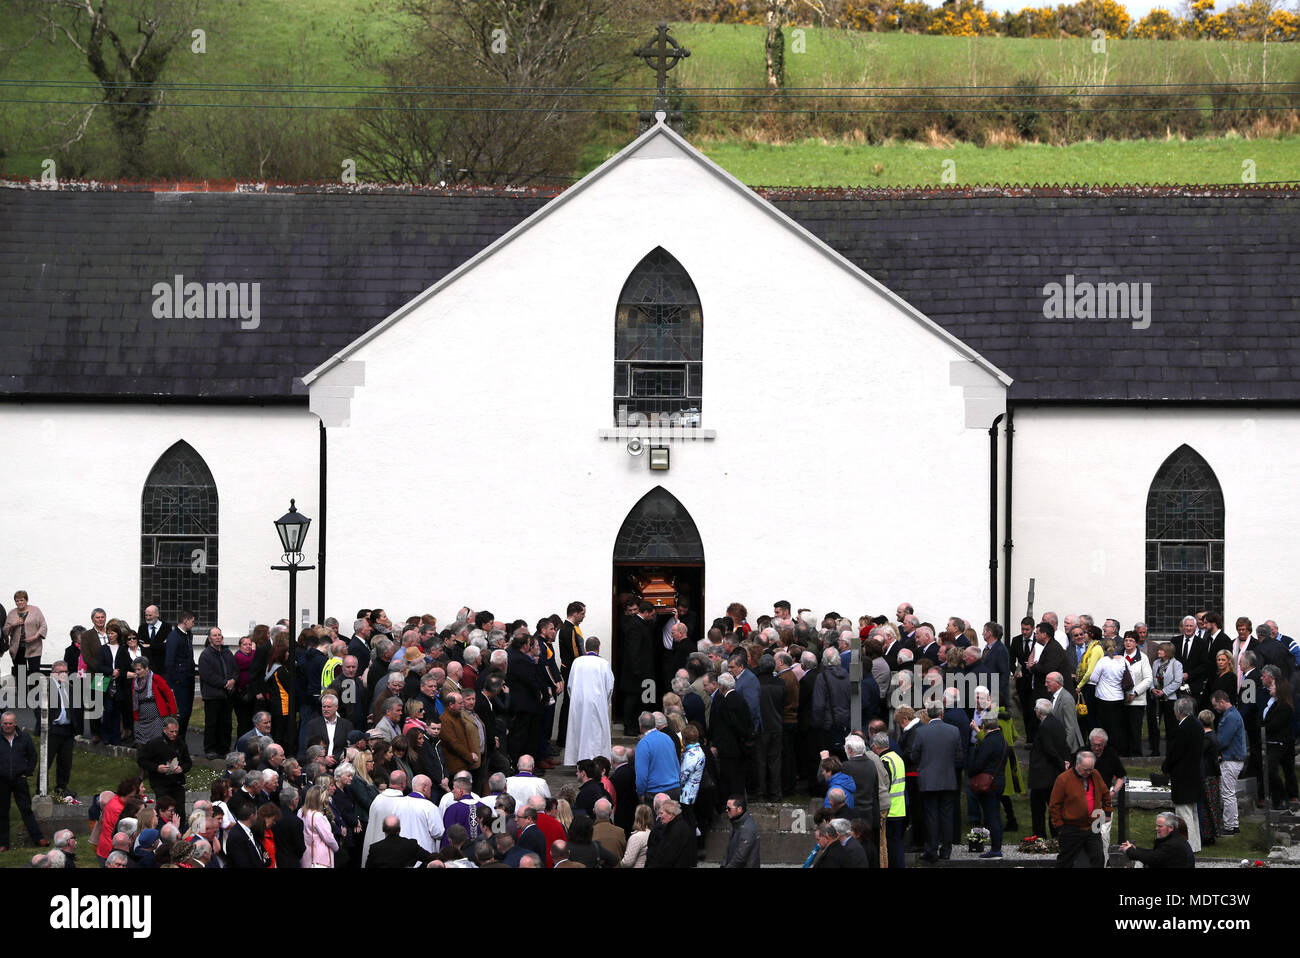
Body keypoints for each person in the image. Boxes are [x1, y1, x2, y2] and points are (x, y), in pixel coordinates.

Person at [911, 704, 961, 863]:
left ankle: (931, 849)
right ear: (942, 713)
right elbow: (959, 756)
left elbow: (914, 755)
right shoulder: (954, 731)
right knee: (947, 815)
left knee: (931, 815)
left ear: (928, 714)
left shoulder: (921, 731)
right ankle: (946, 850)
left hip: (928, 779)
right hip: (948, 778)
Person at [1049, 749, 1111, 867]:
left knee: (1098, 857)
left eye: (1091, 769)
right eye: (1085, 769)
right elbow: (1054, 805)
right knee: (1065, 861)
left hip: (1093, 825)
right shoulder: (1063, 779)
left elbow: (1105, 793)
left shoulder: (1095, 774)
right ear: (1077, 764)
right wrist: (1060, 826)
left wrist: (1107, 812)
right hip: (1071, 827)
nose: (1088, 772)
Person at [1163, 695, 1205, 851]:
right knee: (1192, 811)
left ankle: (1189, 846)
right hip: (1194, 773)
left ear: (1178, 711)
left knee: (1184, 813)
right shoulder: (1197, 724)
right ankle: (1196, 844)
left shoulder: (1183, 728)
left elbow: (1175, 752)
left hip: (1183, 775)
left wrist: (1166, 767)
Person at [563, 636, 614, 766]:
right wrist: (605, 701)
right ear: (599, 648)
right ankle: (597, 761)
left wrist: (575, 699)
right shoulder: (604, 663)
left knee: (580, 730)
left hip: (579, 703)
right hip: (597, 702)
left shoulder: (577, 662)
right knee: (597, 732)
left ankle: (580, 759)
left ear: (585, 648)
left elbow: (569, 685)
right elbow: (610, 686)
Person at [0, 712, 45, 852]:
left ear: (15, 723)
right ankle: (3, 843)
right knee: (2, 812)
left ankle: (38, 838)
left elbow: (33, 756)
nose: (7, 726)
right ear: (1, 724)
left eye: (10, 723)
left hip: (20, 779)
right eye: (5, 723)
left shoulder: (24, 738)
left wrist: (27, 772)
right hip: (2, 781)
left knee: (26, 809)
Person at [5, 592, 47, 732]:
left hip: (33, 646)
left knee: (34, 671)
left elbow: (43, 625)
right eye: (17, 601)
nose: (19, 603)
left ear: (26, 600)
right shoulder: (12, 614)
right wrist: (13, 624)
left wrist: (35, 636)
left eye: (22, 600)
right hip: (18, 648)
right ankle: (23, 697)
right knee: (21, 672)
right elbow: (5, 630)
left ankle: (35, 695)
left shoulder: (35, 610)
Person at [967, 715, 1007, 858]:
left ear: (984, 726)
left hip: (989, 783)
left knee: (992, 816)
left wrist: (970, 772)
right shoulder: (1001, 739)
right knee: (994, 813)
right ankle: (997, 846)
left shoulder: (989, 742)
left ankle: (996, 849)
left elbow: (978, 763)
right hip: (998, 780)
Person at [137, 716, 192, 812]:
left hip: (177, 783)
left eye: (176, 731)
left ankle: (180, 826)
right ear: (165, 730)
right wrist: (157, 768)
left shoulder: (181, 743)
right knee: (164, 810)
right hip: (160, 783)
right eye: (172, 731)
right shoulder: (154, 744)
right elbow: (142, 760)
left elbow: (188, 762)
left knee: (180, 810)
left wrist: (182, 768)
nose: (174, 734)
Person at [1261, 665, 1297, 810]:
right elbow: (1265, 721)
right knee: (1270, 771)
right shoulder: (1275, 704)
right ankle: (1278, 799)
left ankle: (1284, 797)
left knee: (1274, 771)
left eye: (1273, 686)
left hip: (1280, 743)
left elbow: (1272, 725)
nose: (1271, 687)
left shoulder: (1285, 707)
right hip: (1272, 742)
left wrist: (1265, 725)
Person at [197, 627, 237, 759]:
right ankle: (210, 749)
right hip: (213, 695)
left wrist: (233, 680)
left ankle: (224, 749)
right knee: (212, 724)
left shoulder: (227, 653)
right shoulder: (205, 655)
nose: (218, 637)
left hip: (228, 695)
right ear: (209, 638)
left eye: (219, 635)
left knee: (226, 724)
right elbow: (207, 675)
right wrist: (224, 683)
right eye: (215, 635)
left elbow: (235, 669)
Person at [1212, 690, 1246, 835]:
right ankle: (1233, 824)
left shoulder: (1231, 717)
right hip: (1233, 758)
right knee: (1229, 793)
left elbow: (1223, 740)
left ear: (1221, 701)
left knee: (1228, 794)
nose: (1215, 708)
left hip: (1231, 759)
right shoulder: (1232, 714)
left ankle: (1230, 827)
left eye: (1215, 705)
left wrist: (1213, 747)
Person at [47, 661, 80, 798]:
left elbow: (76, 709)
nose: (63, 674)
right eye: (60, 672)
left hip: (67, 730)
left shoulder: (70, 687)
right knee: (46, 761)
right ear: (53, 673)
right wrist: (46, 725)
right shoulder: (46, 687)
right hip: (52, 730)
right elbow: (39, 708)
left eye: (66, 672)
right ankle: (41, 789)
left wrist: (77, 728)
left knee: (65, 762)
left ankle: (61, 787)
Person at [164, 611, 197, 738]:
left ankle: (181, 738)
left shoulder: (188, 635)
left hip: (188, 678)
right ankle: (175, 738)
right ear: (185, 621)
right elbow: (170, 661)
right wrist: (175, 680)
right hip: (180, 681)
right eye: (192, 621)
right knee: (181, 712)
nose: (193, 624)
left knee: (187, 711)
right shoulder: (174, 636)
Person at [1120, 811, 1195, 868]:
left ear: (1171, 828)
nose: (1156, 828)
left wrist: (1129, 850)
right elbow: (1156, 854)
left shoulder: (1173, 844)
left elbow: (1151, 858)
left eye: (1160, 826)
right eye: (1156, 825)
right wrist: (1135, 849)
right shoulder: (1174, 838)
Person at [131, 657, 177, 748]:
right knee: (140, 741)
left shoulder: (156, 678)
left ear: (146, 668)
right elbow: (134, 700)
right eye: (135, 669)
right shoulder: (135, 682)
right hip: (142, 717)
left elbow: (169, 694)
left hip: (157, 717)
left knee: (157, 741)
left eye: (139, 669)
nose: (137, 672)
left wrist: (173, 712)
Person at [1150, 642, 1183, 757]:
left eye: (1161, 650)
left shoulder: (1177, 664)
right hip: (1156, 699)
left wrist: (1164, 691)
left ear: (1168, 652)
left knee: (1171, 726)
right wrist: (1153, 689)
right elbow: (1151, 677)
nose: (1158, 651)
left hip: (1170, 699)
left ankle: (1171, 751)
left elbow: (1178, 681)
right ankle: (1155, 750)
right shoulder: (1155, 663)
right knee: (1155, 725)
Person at [1121, 633, 1152, 757]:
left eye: (1131, 640)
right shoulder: (1118, 655)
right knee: (1122, 729)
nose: (1128, 643)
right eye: (1126, 640)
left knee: (1135, 729)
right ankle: (1123, 754)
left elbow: (1148, 679)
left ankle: (1136, 756)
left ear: (1136, 643)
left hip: (1137, 700)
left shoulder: (1143, 658)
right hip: (1120, 699)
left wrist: (1135, 692)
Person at [365, 814, 436, 868]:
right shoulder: (411, 845)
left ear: (383, 829)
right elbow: (431, 858)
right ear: (399, 829)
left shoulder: (375, 848)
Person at [645, 798, 694, 868]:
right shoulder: (679, 825)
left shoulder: (675, 830)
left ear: (671, 814)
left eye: (661, 813)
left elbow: (667, 857)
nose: (659, 816)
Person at [299, 784, 339, 867]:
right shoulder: (318, 817)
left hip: (306, 856)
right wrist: (336, 847)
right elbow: (329, 838)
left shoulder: (301, 812)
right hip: (319, 859)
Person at [720, 794, 760, 868]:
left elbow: (740, 856)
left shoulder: (747, 828)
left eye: (729, 808)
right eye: (726, 808)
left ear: (739, 809)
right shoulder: (736, 823)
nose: (726, 810)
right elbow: (728, 849)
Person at [621, 804, 653, 868]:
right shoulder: (652, 834)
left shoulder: (636, 837)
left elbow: (627, 862)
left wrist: (619, 863)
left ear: (636, 817)